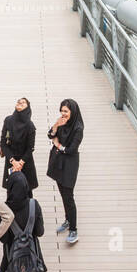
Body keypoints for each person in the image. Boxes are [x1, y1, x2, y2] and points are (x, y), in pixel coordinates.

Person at [47, 98, 84, 245]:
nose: (63, 114)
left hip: (69, 164)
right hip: (58, 162)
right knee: (63, 193)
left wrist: (58, 145)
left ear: (72, 112)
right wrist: (56, 125)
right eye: (61, 111)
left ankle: (73, 230)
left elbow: (71, 150)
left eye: (66, 111)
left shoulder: (78, 128)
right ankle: (68, 220)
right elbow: (50, 135)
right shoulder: (62, 122)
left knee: (69, 196)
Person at [0, 96, 38, 192]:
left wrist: (20, 163)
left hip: (25, 163)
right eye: (18, 101)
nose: (20, 102)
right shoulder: (8, 120)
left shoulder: (30, 126)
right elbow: (3, 144)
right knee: (11, 192)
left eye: (23, 102)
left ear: (28, 107)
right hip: (11, 161)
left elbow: (30, 148)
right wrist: (13, 162)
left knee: (27, 193)